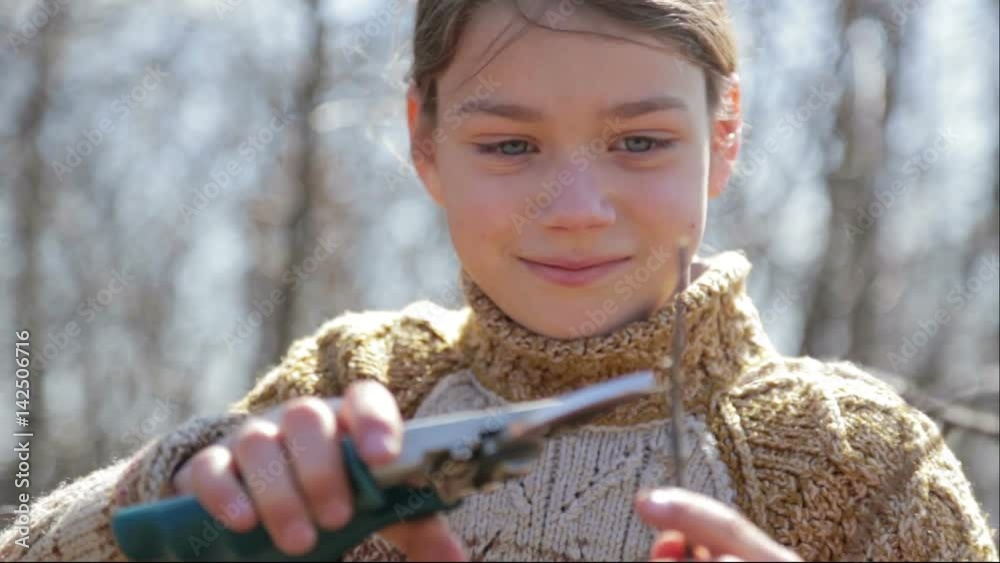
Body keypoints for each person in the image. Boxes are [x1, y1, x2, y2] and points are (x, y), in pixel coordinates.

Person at [2, 1, 997, 561]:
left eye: (640, 140)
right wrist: (165, 487)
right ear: (424, 143)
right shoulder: (361, 385)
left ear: (721, 138)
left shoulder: (859, 459)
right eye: (510, 142)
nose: (574, 204)